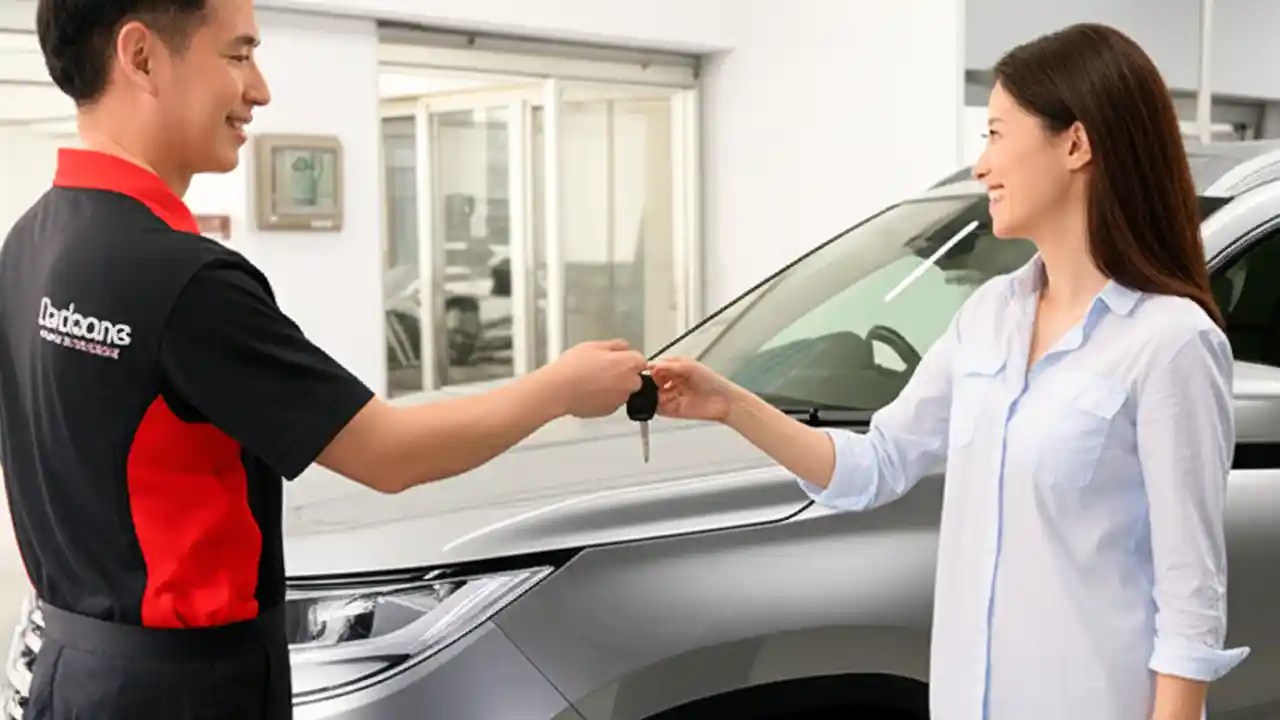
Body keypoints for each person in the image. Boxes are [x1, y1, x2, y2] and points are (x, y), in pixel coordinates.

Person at [0, 1, 647, 718]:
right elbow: (389, 455)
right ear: (142, 56)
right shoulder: (184, 281)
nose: (261, 89)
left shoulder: (29, 245)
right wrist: (561, 387)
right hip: (182, 693)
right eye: (238, 54)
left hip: (67, 674)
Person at [650, 23, 1248, 720]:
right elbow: (872, 466)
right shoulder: (990, 315)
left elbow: (1191, 600)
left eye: (996, 134)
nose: (981, 166)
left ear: (1076, 143)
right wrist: (728, 403)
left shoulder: (1171, 341)